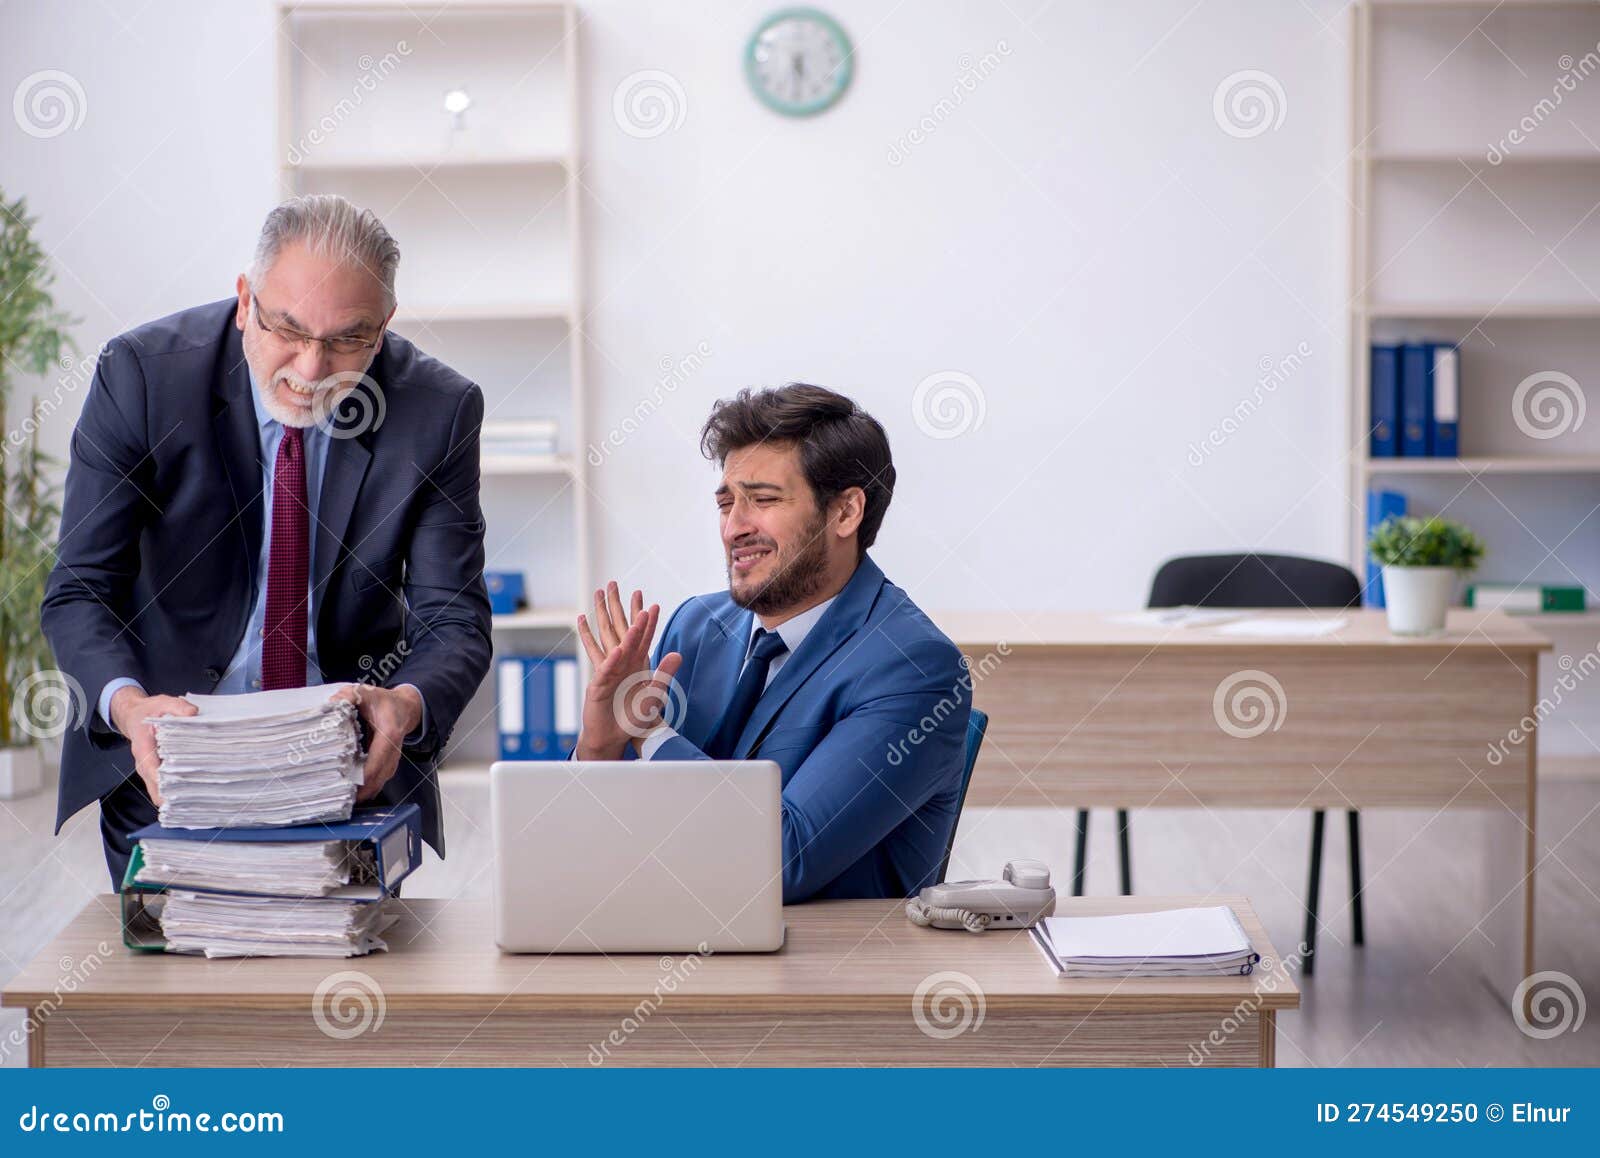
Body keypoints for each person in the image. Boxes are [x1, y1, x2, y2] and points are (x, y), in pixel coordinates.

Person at [41, 194, 492, 888]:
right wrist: (129, 708)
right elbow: (79, 590)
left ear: (384, 327)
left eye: (348, 339)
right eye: (288, 328)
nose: (312, 370)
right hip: (171, 763)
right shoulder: (144, 376)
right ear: (246, 299)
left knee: (341, 978)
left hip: (347, 771)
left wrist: (403, 704)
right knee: (173, 986)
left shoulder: (437, 410)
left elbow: (454, 619)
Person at [575, 383, 970, 902]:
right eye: (726, 503)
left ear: (846, 512)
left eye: (762, 500)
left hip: (825, 971)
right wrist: (600, 745)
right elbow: (596, 844)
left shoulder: (914, 668)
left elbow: (780, 861)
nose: (734, 527)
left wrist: (648, 734)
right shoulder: (695, 627)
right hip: (667, 933)